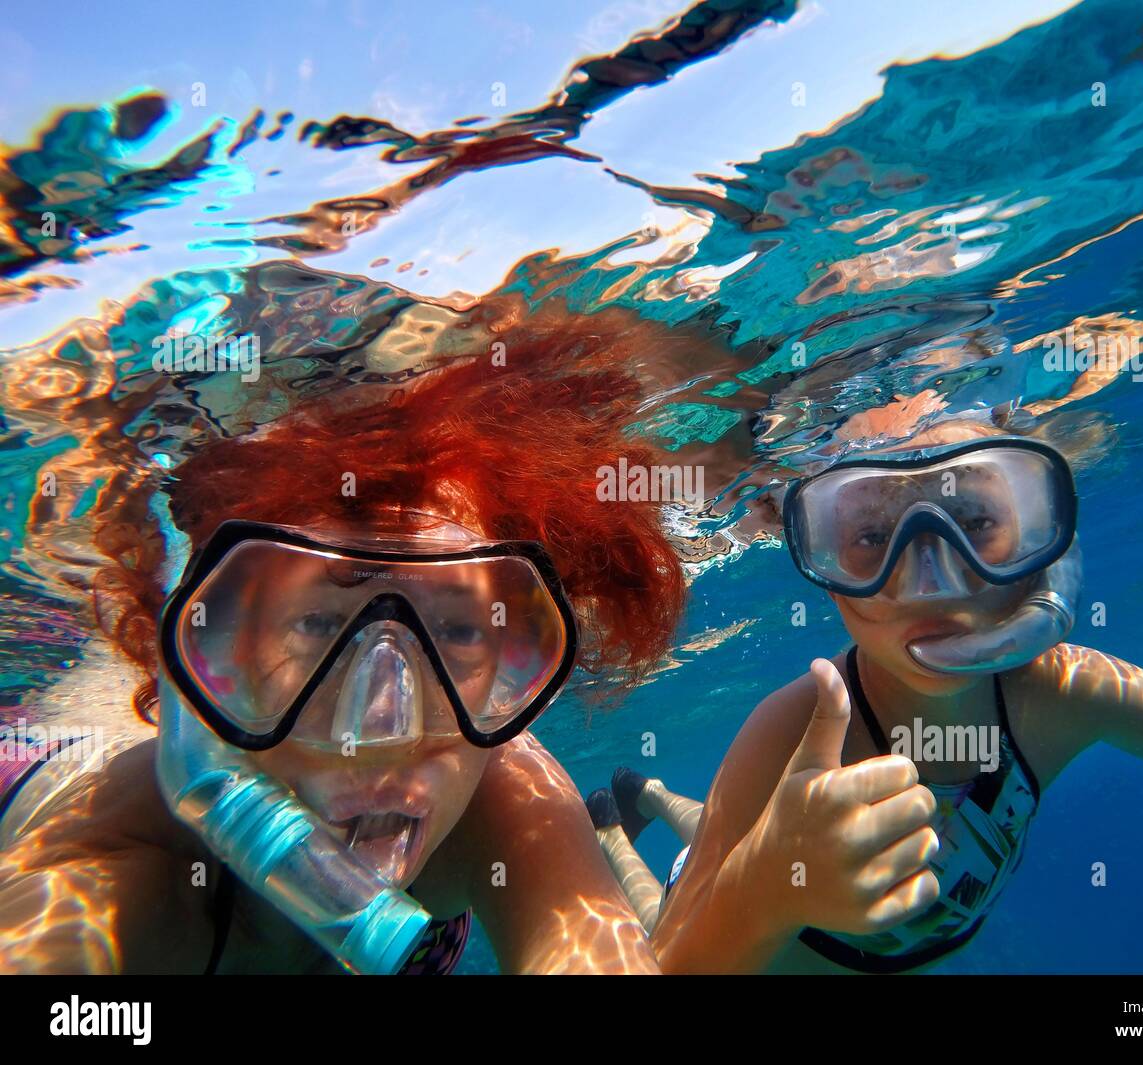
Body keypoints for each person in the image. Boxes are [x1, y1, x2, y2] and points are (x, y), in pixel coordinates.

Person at [0, 337, 689, 975]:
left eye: (456, 632)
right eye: (318, 624)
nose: (385, 722)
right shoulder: (118, 873)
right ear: (216, 652)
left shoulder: (506, 791)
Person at [599, 420, 1143, 973]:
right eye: (872, 535)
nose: (930, 582)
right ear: (823, 562)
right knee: (669, 896)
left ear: (1042, 544)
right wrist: (766, 894)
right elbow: (673, 965)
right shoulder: (793, 727)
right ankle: (610, 828)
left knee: (748, 834)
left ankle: (653, 789)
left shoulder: (1064, 691)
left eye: (973, 520)